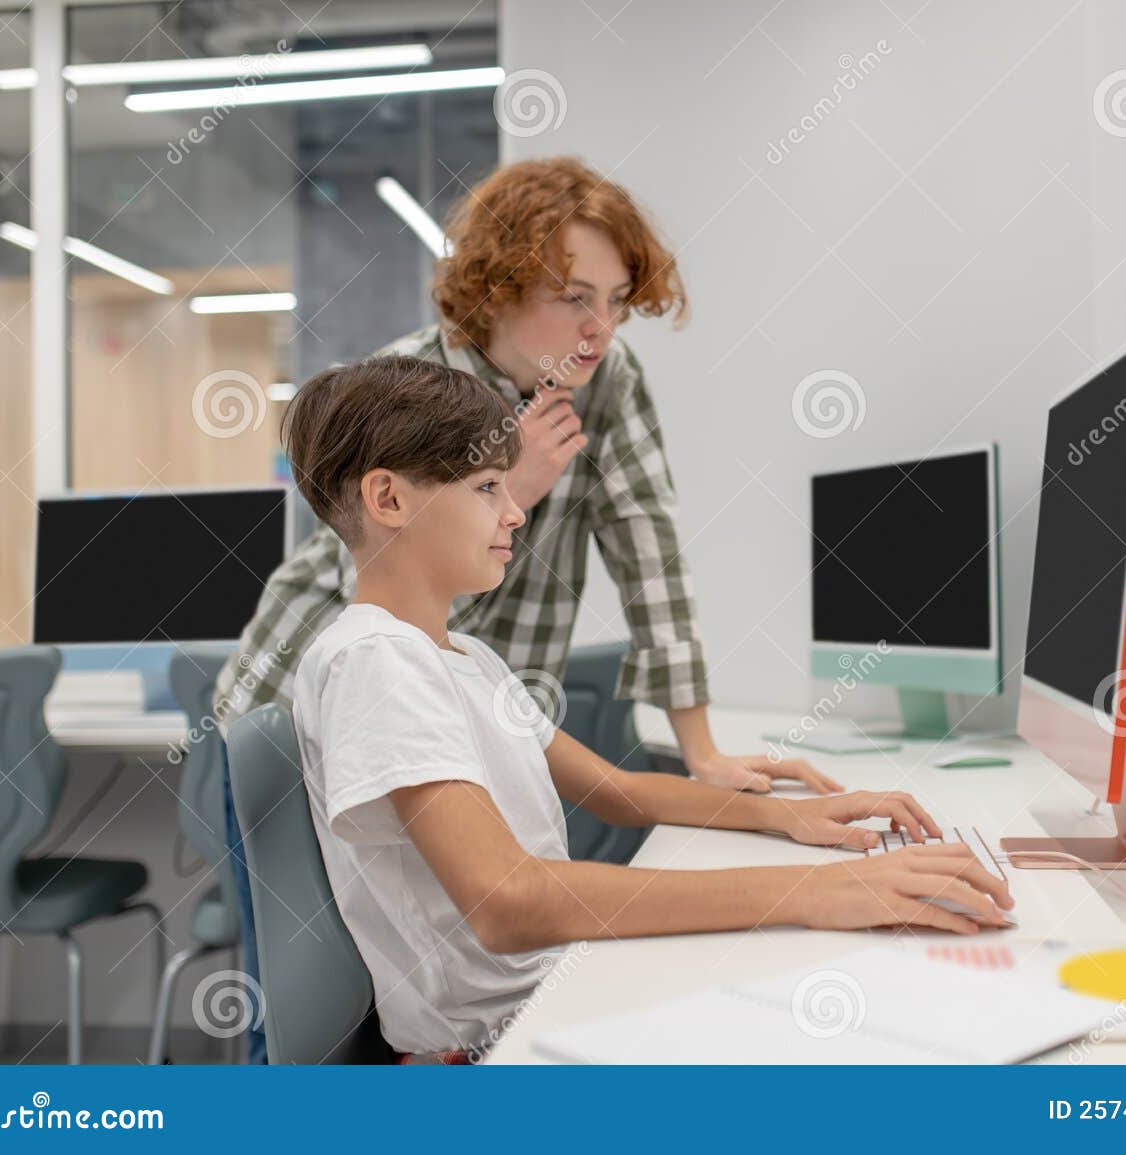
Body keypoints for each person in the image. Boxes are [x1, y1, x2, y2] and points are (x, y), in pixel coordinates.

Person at [213, 157, 838, 1062]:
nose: (600, 330)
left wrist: (711, 760)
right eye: (574, 298)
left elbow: (647, 550)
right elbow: (372, 582)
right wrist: (526, 482)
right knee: (312, 981)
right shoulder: (408, 388)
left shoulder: (605, 390)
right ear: (497, 290)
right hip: (333, 674)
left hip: (447, 665)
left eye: (617, 301)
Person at [284, 354, 1015, 1059]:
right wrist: (814, 890)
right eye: (485, 488)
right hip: (499, 1044)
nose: (515, 513)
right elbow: (508, 903)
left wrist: (786, 815)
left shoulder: (464, 657)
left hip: (553, 993)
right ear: (389, 499)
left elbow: (621, 793)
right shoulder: (374, 662)